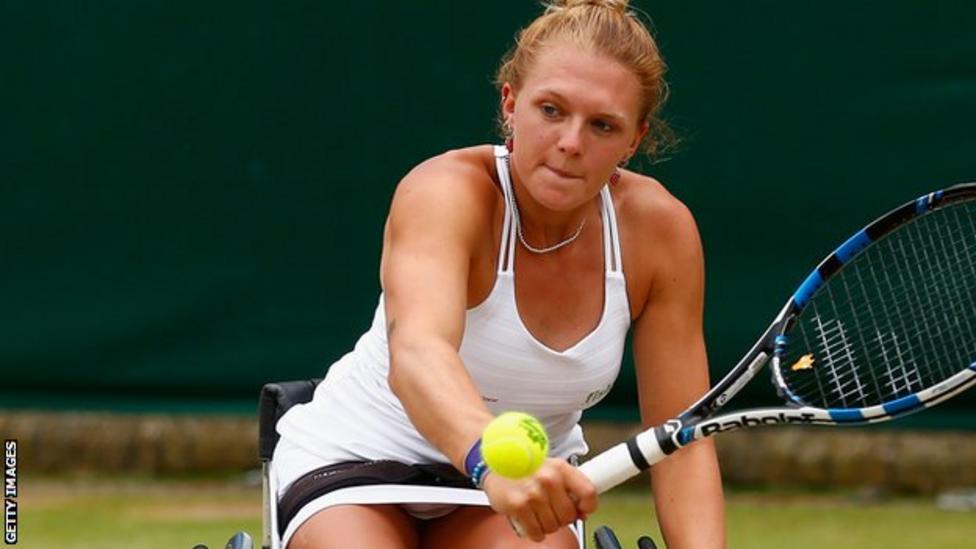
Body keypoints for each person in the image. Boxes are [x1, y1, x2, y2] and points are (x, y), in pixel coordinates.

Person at [273, 1, 726, 547]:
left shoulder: (661, 234)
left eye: (602, 125)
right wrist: (492, 460)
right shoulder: (446, 192)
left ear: (634, 139)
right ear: (510, 103)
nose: (571, 142)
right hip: (360, 458)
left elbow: (681, 439)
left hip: (528, 488)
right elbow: (418, 352)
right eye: (552, 110)